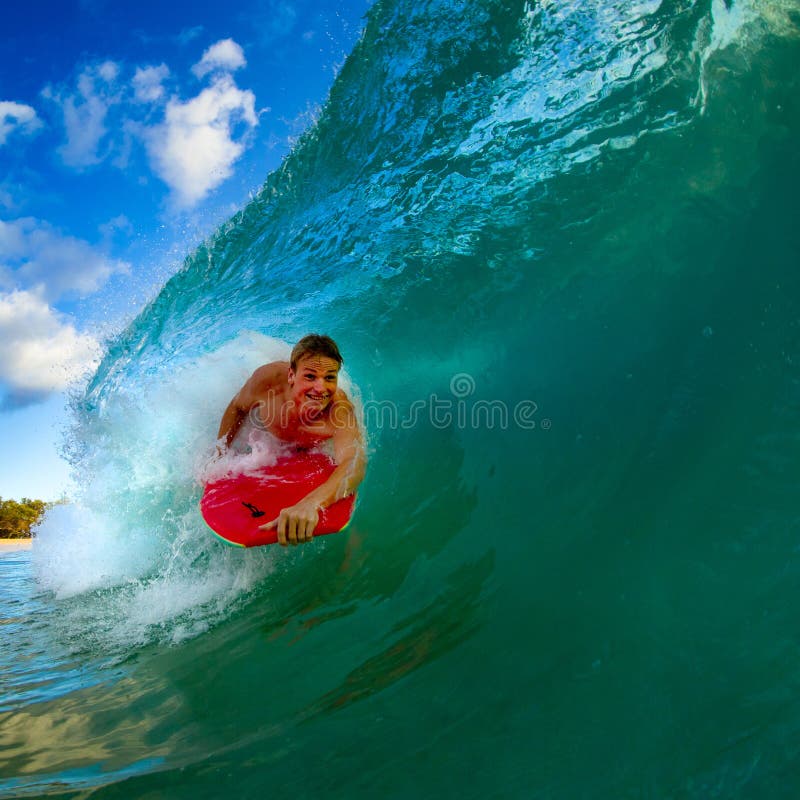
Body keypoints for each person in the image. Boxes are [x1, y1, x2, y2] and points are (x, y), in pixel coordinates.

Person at [216, 334, 365, 547]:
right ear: (291, 375)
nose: (321, 388)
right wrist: (220, 452)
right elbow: (237, 407)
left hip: (309, 451)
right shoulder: (267, 382)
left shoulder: (338, 409)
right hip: (271, 438)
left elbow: (354, 462)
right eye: (310, 377)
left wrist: (311, 503)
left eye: (330, 377)